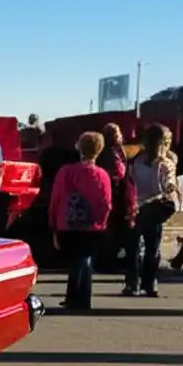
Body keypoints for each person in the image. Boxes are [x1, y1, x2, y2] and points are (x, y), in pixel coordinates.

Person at [49, 132, 113, 310]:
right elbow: (106, 203)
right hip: (93, 225)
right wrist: (103, 222)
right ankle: (81, 297)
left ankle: (75, 296)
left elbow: (56, 198)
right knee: (84, 258)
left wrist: (53, 223)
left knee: (77, 259)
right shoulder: (102, 175)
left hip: (67, 224)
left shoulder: (66, 172)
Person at [124, 123, 179, 296]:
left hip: (136, 206)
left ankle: (132, 284)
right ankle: (150, 284)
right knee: (152, 246)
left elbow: (130, 184)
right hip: (156, 206)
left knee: (133, 247)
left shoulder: (135, 160)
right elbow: (168, 186)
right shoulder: (166, 163)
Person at [95, 123, 137, 271]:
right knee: (113, 226)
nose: (120, 136)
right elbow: (118, 172)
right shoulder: (111, 152)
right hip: (114, 192)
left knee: (113, 226)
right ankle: (107, 259)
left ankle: (108, 257)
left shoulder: (112, 151)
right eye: (117, 134)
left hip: (115, 192)